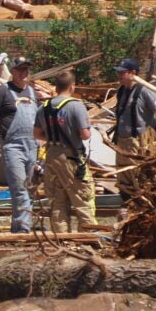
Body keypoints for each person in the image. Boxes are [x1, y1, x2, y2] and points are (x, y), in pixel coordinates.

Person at [34, 69, 95, 232]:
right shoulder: (76, 106)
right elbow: (85, 135)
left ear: (57, 86)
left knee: (57, 200)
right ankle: (87, 237)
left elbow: (37, 134)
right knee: (81, 197)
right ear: (72, 86)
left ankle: (61, 238)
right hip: (71, 157)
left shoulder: (43, 107)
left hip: (52, 155)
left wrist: (55, 137)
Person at [0, 56, 40, 233]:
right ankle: (25, 230)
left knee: (30, 189)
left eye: (26, 70)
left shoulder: (33, 93)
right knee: (19, 188)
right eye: (20, 70)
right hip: (12, 147)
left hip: (32, 146)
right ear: (12, 72)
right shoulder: (3, 91)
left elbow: (38, 120)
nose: (23, 73)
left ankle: (17, 228)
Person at [107, 57, 156, 192]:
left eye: (122, 72)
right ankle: (126, 205)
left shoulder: (146, 91)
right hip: (122, 142)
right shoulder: (122, 91)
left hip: (139, 143)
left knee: (139, 178)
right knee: (123, 177)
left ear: (133, 73)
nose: (119, 76)